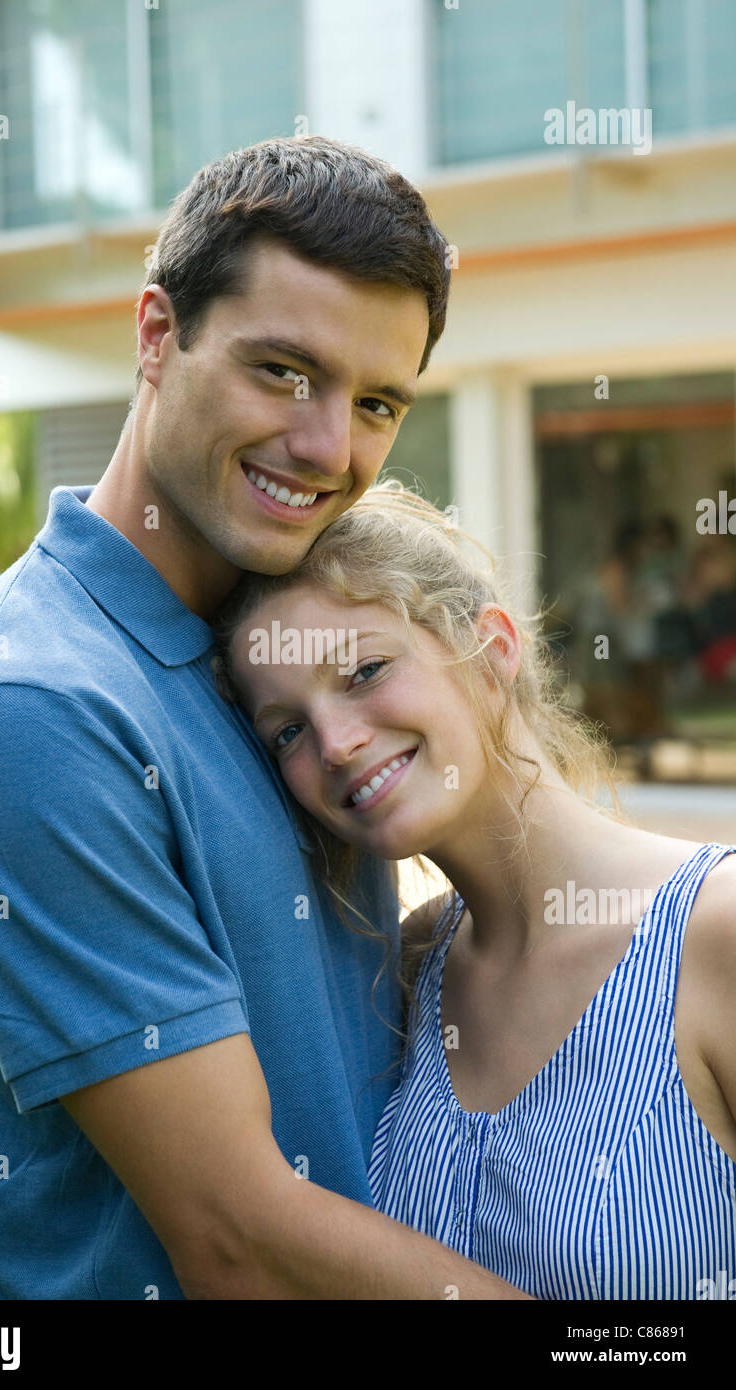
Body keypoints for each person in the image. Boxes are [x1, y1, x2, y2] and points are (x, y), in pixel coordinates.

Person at [0, 136, 529, 1300]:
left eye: (376, 401)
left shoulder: (280, 651)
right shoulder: (33, 712)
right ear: (155, 334)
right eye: (284, 371)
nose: (329, 447)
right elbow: (238, 1237)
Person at [213, 479, 736, 1299]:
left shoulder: (716, 935)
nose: (337, 743)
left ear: (491, 648)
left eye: (363, 671)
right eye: (287, 730)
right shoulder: (410, 965)